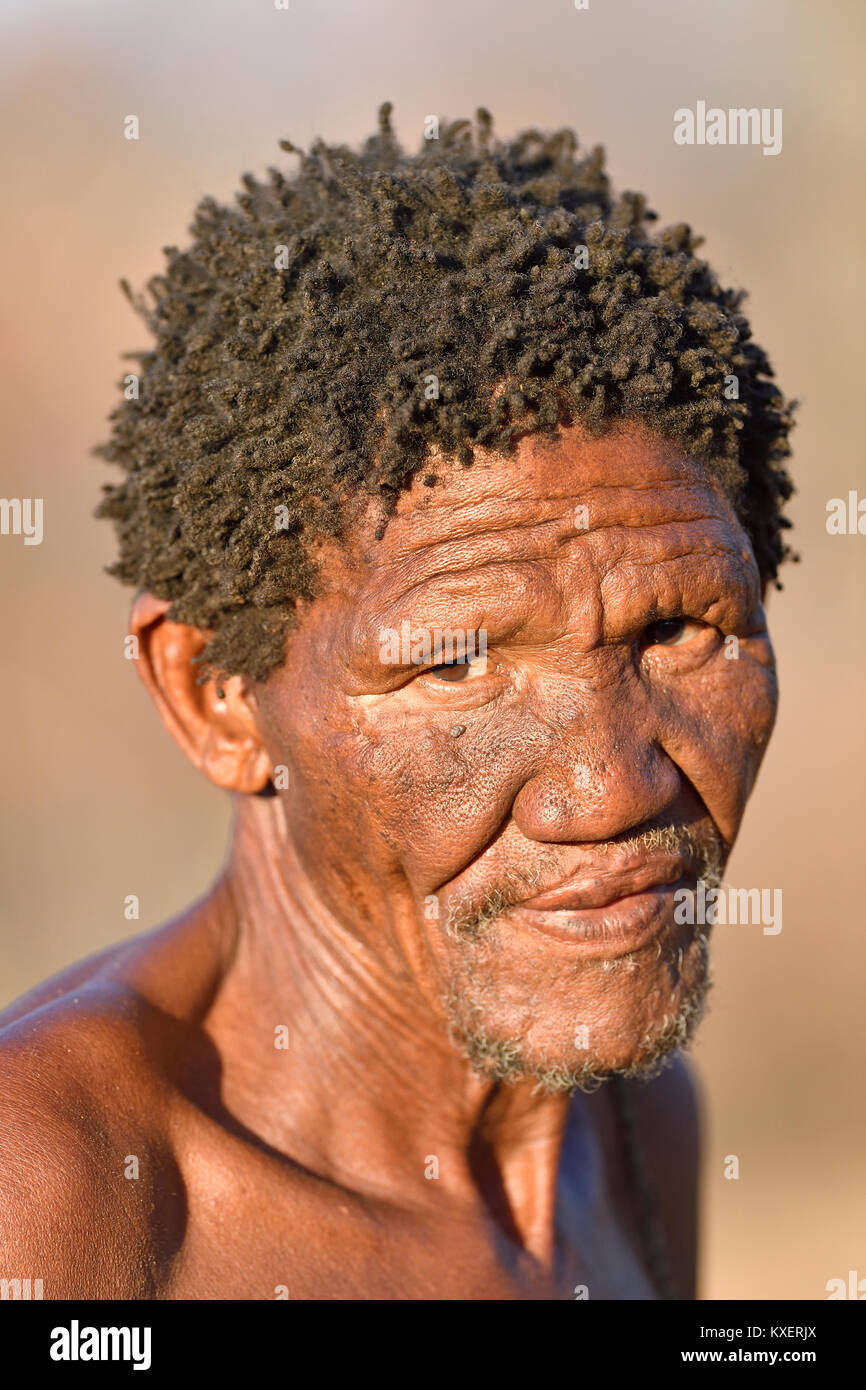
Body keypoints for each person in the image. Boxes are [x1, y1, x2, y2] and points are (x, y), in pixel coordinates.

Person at [0, 104, 795, 1300]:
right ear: (215, 697)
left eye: (679, 629)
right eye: (458, 664)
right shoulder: (66, 1198)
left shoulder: (633, 1132)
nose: (613, 788)